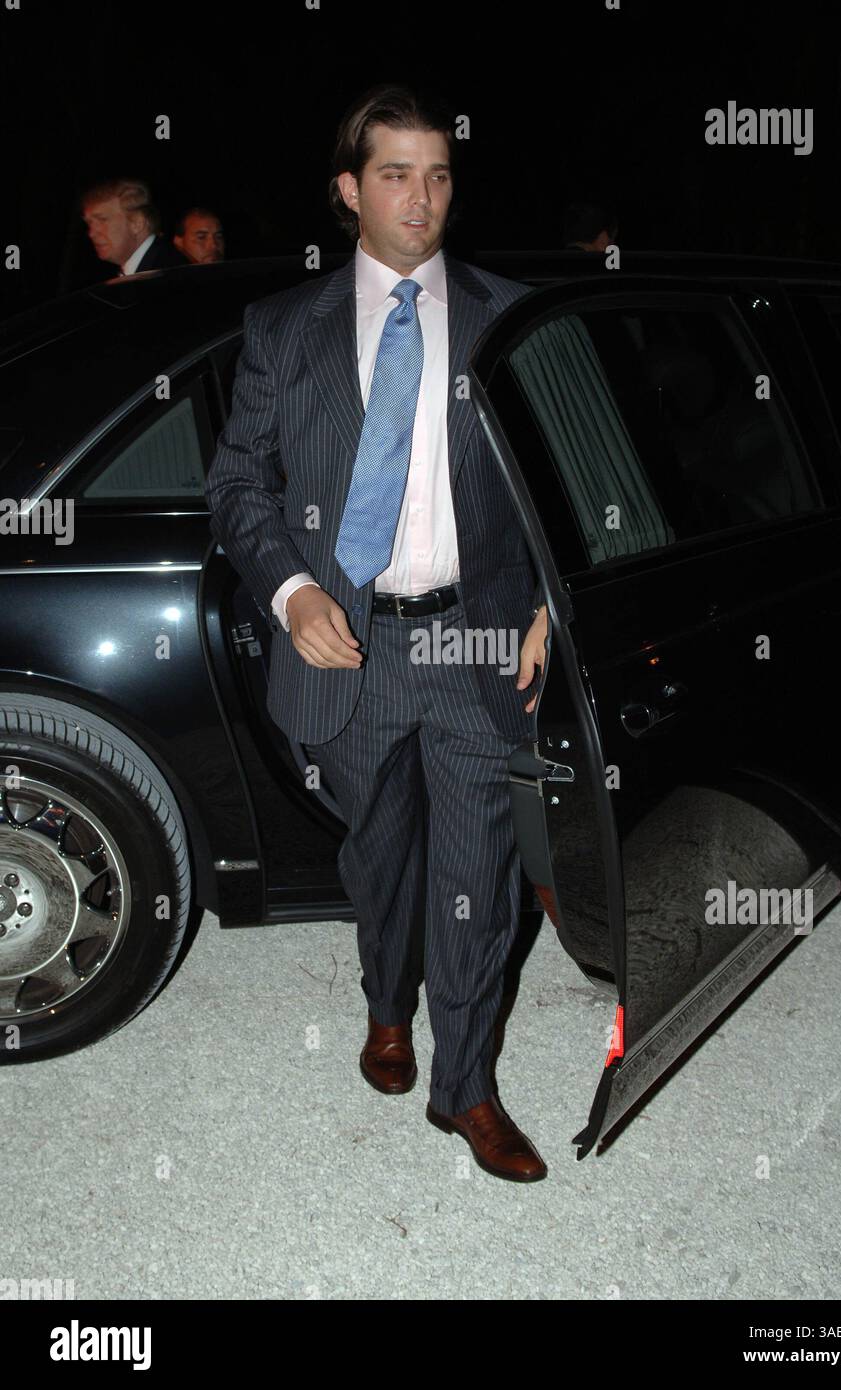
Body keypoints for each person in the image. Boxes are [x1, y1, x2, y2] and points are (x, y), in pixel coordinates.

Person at [205, 84, 550, 1182]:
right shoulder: (283, 329)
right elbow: (238, 486)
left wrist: (552, 600)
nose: (421, 196)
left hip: (476, 641)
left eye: (439, 174)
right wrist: (291, 592)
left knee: (479, 871)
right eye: (396, 173)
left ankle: (469, 1087)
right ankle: (384, 1006)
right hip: (345, 641)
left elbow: (580, 475)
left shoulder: (509, 314)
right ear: (350, 189)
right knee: (379, 856)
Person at [81, 177, 187, 275]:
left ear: (137, 223)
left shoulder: (168, 273)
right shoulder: (149, 269)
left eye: (102, 220)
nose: (91, 233)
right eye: (89, 223)